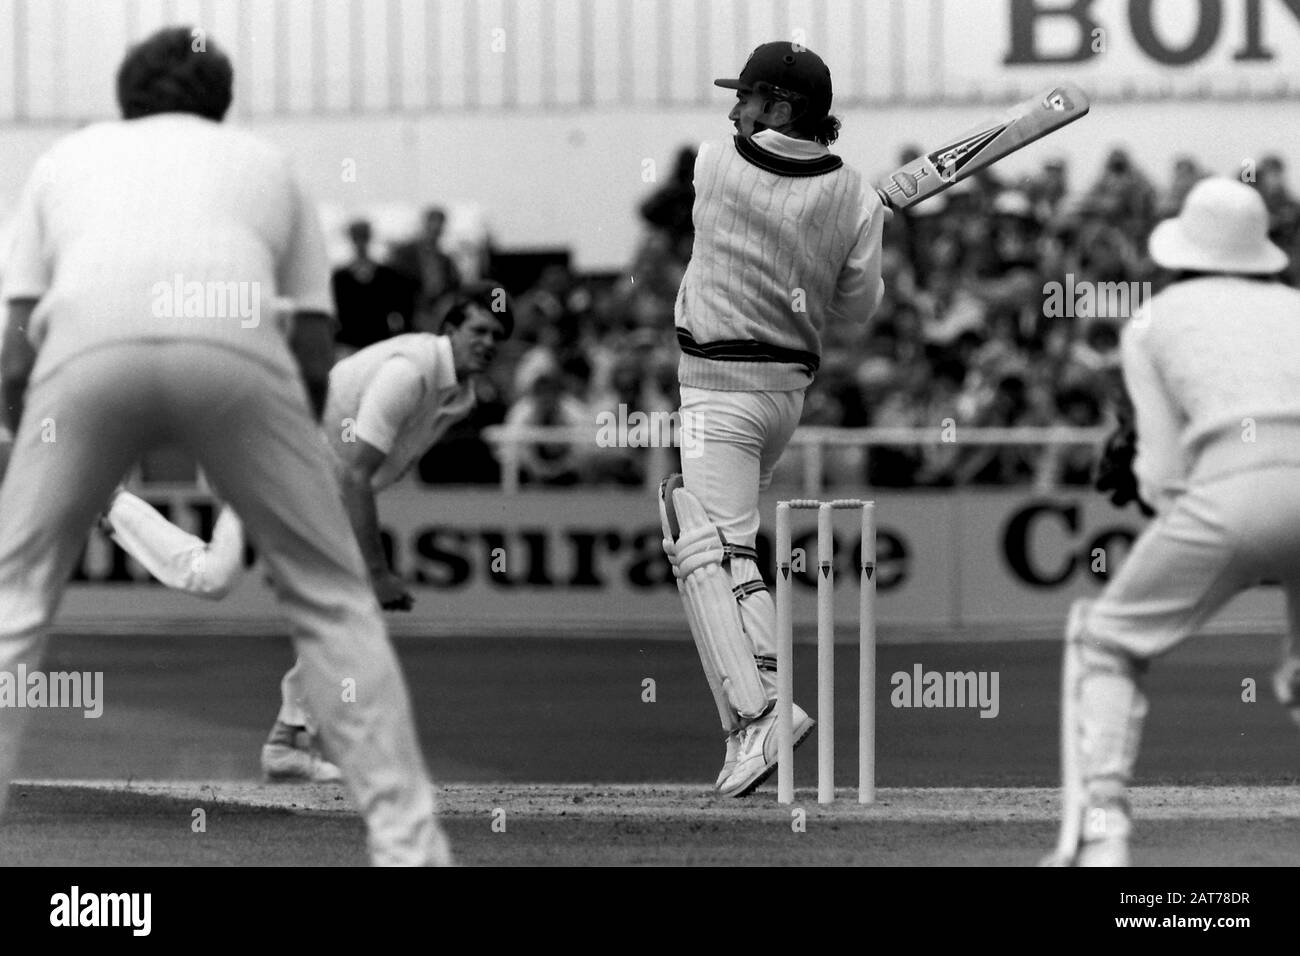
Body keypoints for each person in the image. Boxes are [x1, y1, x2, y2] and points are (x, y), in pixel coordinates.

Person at [0, 27, 450, 865]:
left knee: (15, 599)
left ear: (125, 98)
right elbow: (315, 354)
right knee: (334, 600)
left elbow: (18, 350)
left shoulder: (62, 163)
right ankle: (410, 851)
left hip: (85, 357)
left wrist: (42, 450)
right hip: (239, 363)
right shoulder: (267, 164)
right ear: (221, 103)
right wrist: (287, 471)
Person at [92, 285, 513, 782]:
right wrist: (377, 573)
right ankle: (109, 500)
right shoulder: (410, 371)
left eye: (497, 335)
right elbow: (359, 474)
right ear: (450, 330)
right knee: (216, 578)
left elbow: (371, 468)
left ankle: (288, 743)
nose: (488, 343)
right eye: (478, 331)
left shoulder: (457, 395)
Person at [657, 41, 887, 797]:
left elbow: (756, 191)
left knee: (713, 555)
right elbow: (855, 312)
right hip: (785, 393)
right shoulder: (856, 195)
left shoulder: (713, 162)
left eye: (747, 98)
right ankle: (753, 713)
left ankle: (761, 713)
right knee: (716, 542)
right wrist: (859, 222)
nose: (733, 110)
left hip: (715, 389)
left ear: (779, 107)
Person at [1048, 177, 1300, 867]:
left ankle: (1104, 833)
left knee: (1105, 643)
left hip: (1229, 494)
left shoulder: (1154, 319)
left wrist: (1222, 536)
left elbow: (1158, 478)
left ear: (1182, 249)